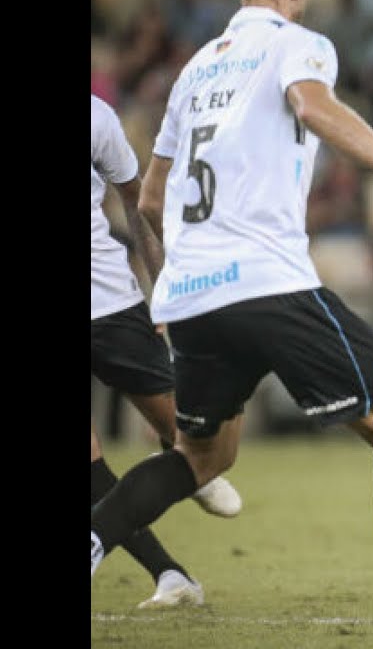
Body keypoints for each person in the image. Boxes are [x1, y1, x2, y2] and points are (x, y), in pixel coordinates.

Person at [88, 0, 373, 646]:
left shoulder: (194, 70)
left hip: (192, 295)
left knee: (199, 459)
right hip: (267, 282)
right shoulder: (299, 43)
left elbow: (154, 201)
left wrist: (176, 286)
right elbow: (313, 107)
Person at [91, 93, 244, 609]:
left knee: (197, 437)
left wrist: (165, 290)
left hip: (108, 303)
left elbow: (137, 202)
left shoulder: (96, 117)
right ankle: (172, 576)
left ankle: (186, 462)